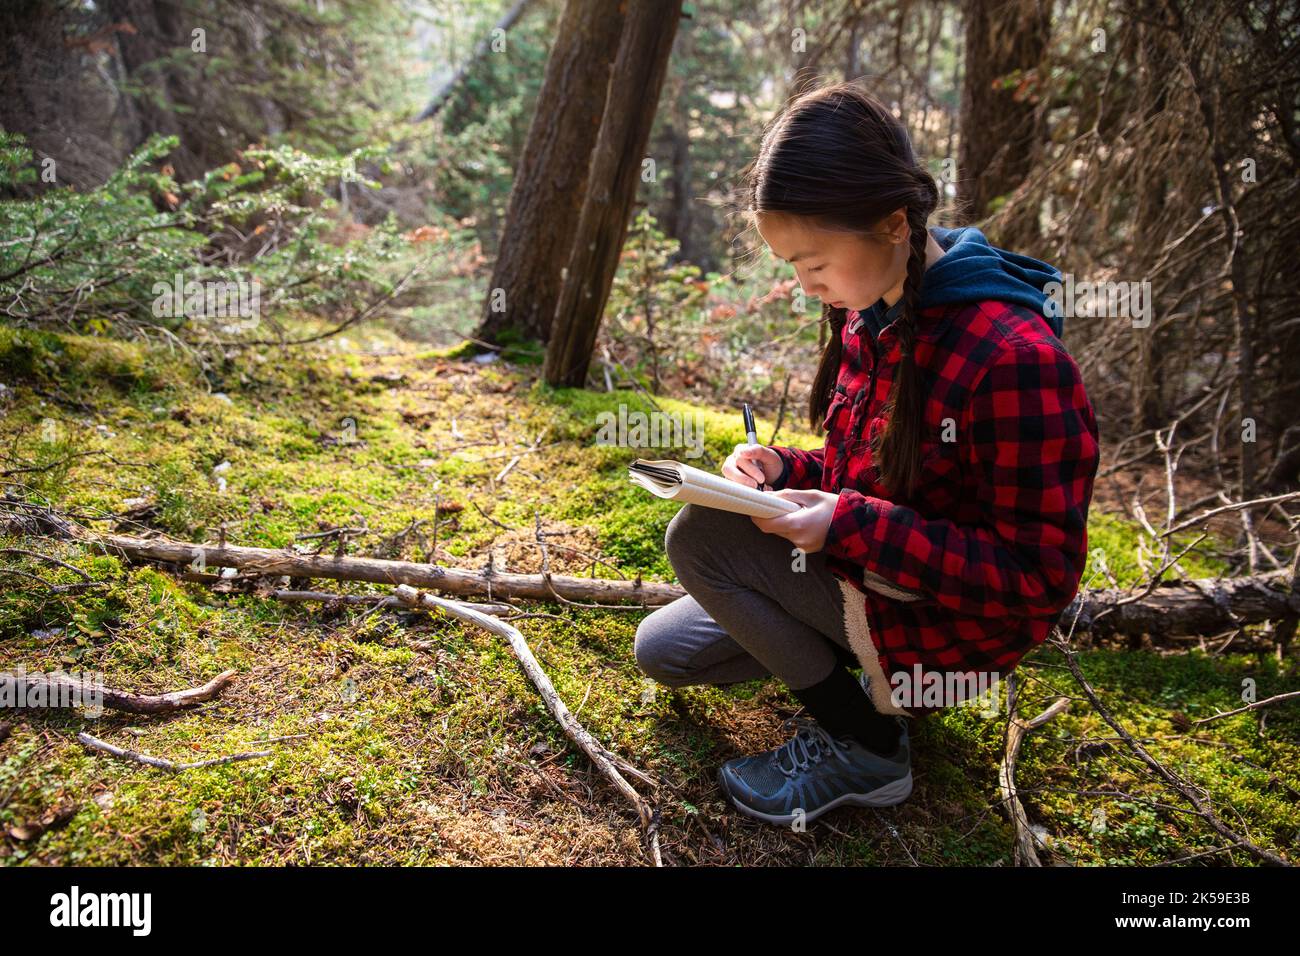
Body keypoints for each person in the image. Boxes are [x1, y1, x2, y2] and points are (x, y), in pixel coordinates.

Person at [633, 81, 1101, 827]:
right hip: (875, 572)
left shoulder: (1014, 359)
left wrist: (848, 526)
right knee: (665, 651)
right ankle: (857, 674)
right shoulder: (873, 313)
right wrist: (787, 471)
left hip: (948, 624)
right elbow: (873, 472)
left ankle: (871, 745)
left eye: (812, 259)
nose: (803, 282)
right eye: (789, 263)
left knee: (701, 540)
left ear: (891, 223)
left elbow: (1035, 581)